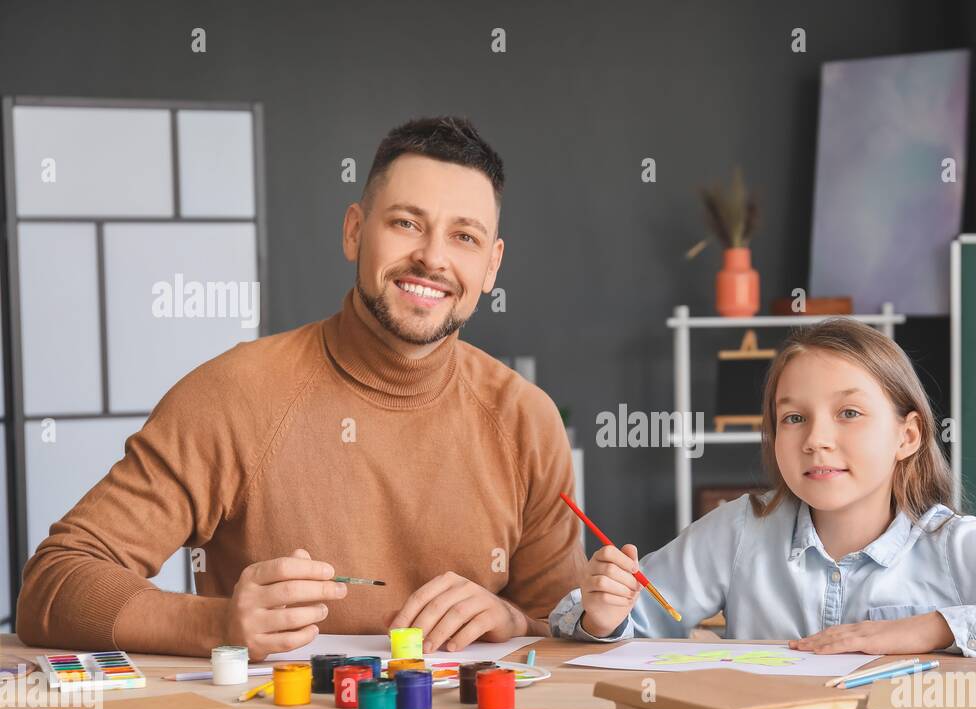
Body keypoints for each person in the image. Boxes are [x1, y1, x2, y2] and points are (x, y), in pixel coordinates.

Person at [18, 116, 585, 660]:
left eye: (464, 236)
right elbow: (55, 582)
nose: (433, 258)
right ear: (355, 231)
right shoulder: (235, 393)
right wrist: (218, 624)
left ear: (491, 266)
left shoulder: (526, 419)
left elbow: (563, 630)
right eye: (406, 223)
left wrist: (514, 620)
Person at [550, 319, 976, 657]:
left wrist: (932, 628)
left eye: (848, 414)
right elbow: (596, 622)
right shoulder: (741, 530)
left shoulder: (953, 545)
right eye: (793, 418)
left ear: (908, 435)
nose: (816, 439)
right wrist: (604, 617)